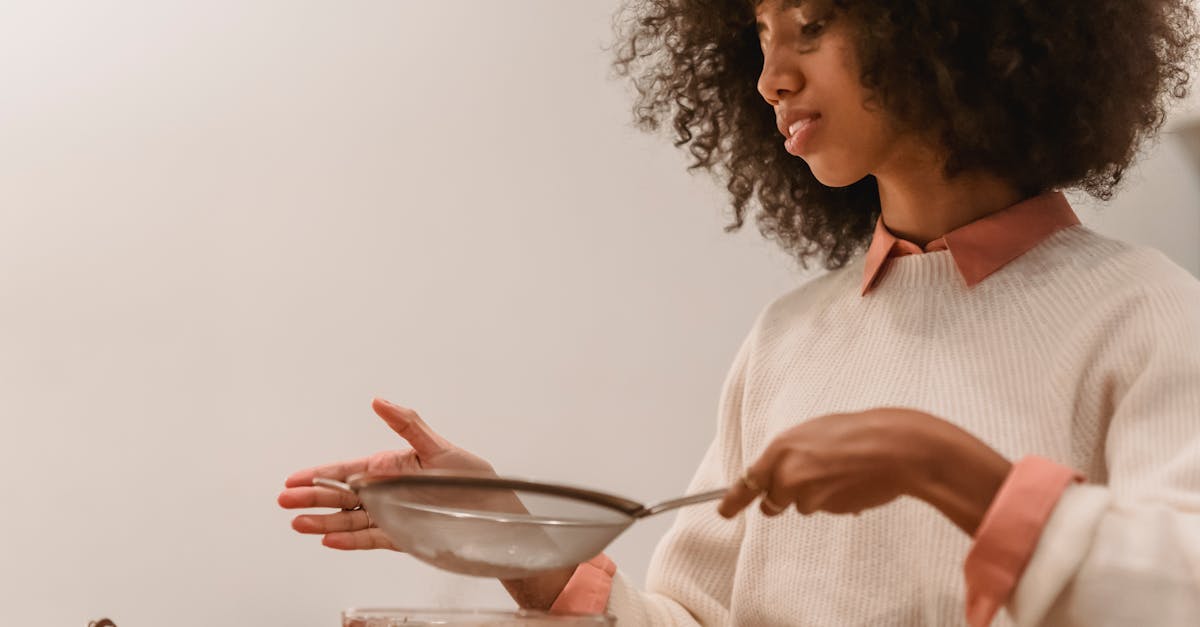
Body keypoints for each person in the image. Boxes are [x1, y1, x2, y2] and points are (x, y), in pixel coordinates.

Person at [278, 0, 1200, 624]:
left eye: (810, 23)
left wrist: (939, 465)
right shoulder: (791, 339)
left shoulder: (1143, 313)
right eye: (760, 32)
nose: (770, 76)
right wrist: (527, 544)